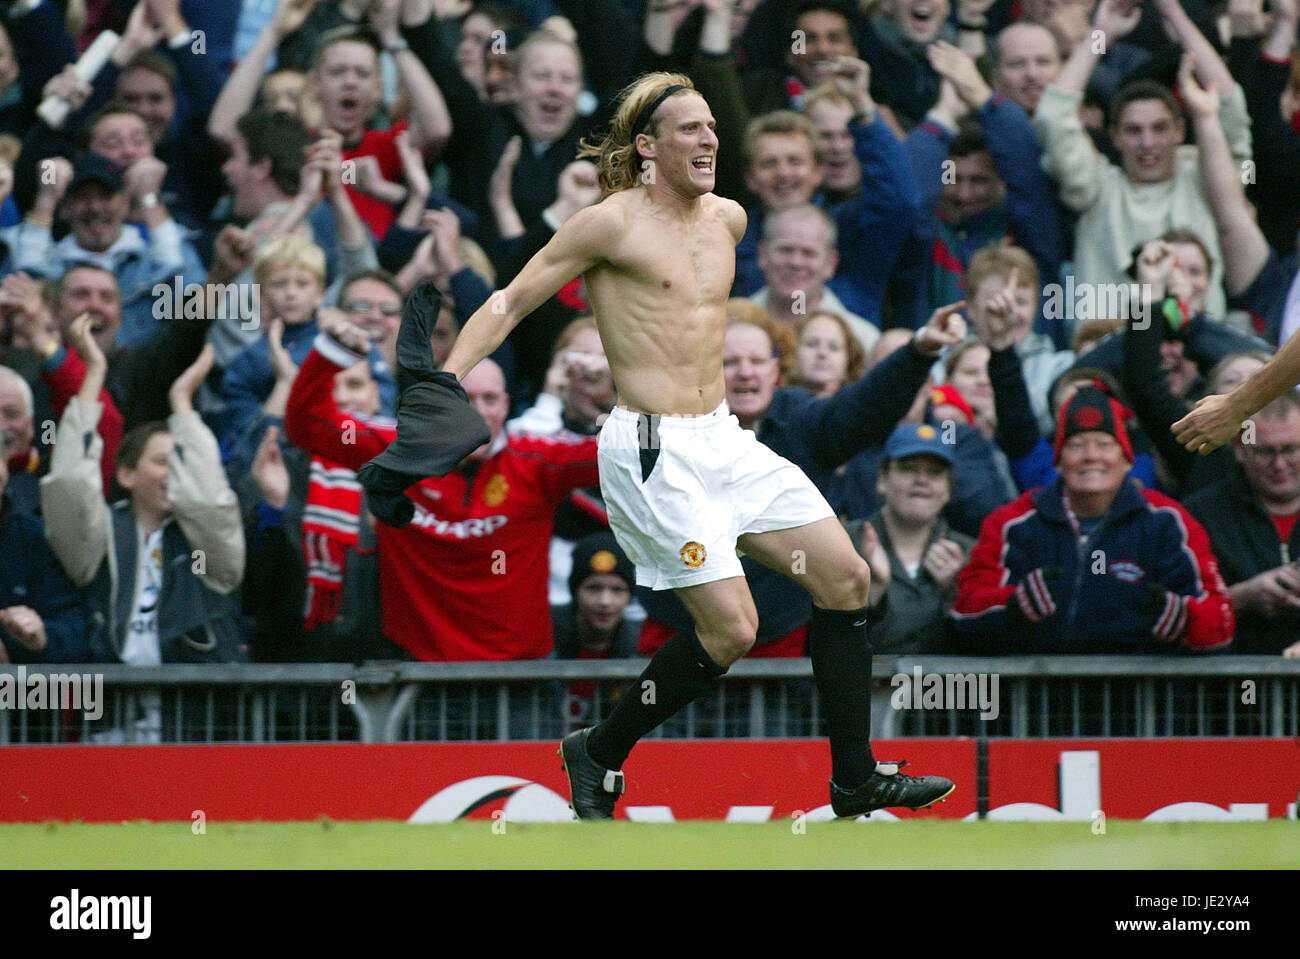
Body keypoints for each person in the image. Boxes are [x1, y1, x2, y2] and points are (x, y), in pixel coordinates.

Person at [435, 73, 956, 819]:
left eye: (712, 127)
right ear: (646, 147)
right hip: (651, 447)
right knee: (733, 628)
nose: (709, 139)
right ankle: (602, 747)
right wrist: (444, 382)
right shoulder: (607, 224)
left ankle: (853, 779)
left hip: (724, 438)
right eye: (689, 129)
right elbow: (510, 300)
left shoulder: (732, 220)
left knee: (845, 578)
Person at [951, 385, 1235, 653]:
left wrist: (1184, 619)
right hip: (1037, 699)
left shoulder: (1167, 522)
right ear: (1059, 460)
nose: (1091, 456)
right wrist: (1013, 607)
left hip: (1137, 700)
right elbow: (963, 612)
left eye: (1104, 444)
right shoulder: (1013, 522)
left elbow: (1221, 623)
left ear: (1127, 459)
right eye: (1076, 445)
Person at [1184, 392, 1300, 656]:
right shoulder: (1200, 513)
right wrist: (1243, 597)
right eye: (1264, 452)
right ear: (1239, 448)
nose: (1279, 464)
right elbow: (1175, 609)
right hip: (1229, 685)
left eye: (1291, 449)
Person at [846, 423, 974, 655]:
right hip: (866, 690)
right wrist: (869, 595)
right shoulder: (846, 542)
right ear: (883, 479)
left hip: (942, 690)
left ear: (948, 489)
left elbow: (984, 645)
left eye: (935, 472)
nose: (922, 480)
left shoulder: (970, 554)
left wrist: (955, 593)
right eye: (908, 468)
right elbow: (822, 640)